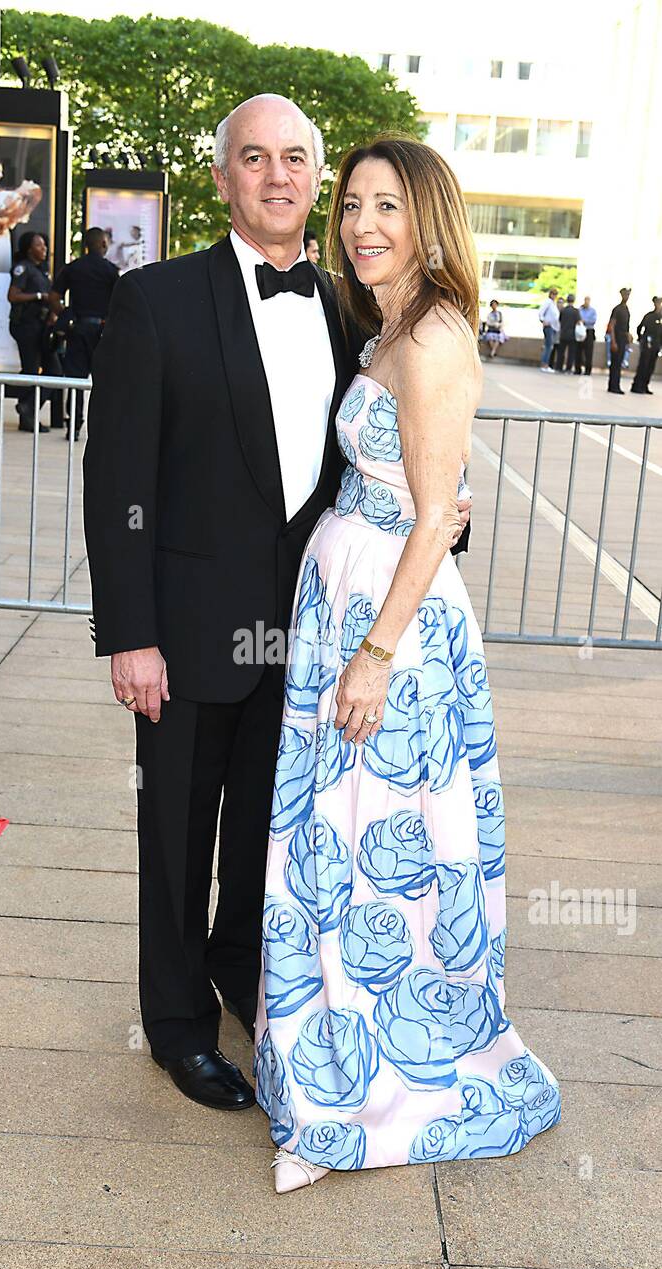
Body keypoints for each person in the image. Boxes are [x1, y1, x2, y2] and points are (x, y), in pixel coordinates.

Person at [82, 93, 475, 1115]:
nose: (277, 177)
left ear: (314, 179)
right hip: (185, 634)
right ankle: (175, 1026)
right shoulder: (156, 301)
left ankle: (243, 974)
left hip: (310, 640)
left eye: (296, 159)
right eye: (252, 159)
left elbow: (382, 462)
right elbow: (117, 479)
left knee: (273, 834)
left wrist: (441, 516)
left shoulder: (360, 309)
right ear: (221, 179)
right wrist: (130, 632)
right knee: (175, 836)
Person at [255, 135, 561, 1193]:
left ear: (429, 219)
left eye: (385, 206)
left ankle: (392, 1054)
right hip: (346, 601)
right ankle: (333, 1036)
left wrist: (375, 654)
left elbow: (435, 518)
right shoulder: (384, 322)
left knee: (386, 838)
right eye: (350, 206)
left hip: (394, 625)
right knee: (337, 836)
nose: (360, 224)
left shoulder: (430, 334)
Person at [49, 226, 119, 439]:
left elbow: (53, 297)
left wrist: (66, 314)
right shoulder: (110, 270)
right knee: (104, 381)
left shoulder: (73, 268)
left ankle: (74, 425)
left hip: (77, 328)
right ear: (103, 244)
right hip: (103, 332)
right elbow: (120, 302)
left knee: (74, 380)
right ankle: (102, 428)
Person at [7, 231, 59, 433]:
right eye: (39, 245)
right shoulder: (23, 269)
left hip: (40, 327)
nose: (44, 249)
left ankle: (27, 407)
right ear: (29, 249)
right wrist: (39, 296)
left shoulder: (42, 271)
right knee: (30, 370)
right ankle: (27, 414)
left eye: (45, 245)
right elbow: (12, 295)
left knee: (54, 371)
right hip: (26, 327)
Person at [630, 296, 662, 395]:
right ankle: (637, 386)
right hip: (647, 344)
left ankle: (645, 385)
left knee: (651, 367)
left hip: (656, 345)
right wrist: (641, 339)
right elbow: (640, 327)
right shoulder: (649, 316)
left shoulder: (661, 317)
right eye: (657, 302)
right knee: (643, 365)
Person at [607, 288, 632, 394]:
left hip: (622, 339)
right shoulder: (617, 309)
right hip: (617, 338)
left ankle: (615, 385)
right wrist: (613, 341)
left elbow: (625, 326)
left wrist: (628, 335)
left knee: (619, 363)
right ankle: (613, 386)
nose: (626, 296)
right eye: (625, 294)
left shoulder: (626, 309)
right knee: (615, 363)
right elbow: (611, 325)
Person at [554, 292, 579, 372]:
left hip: (563, 333)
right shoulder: (576, 311)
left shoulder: (563, 310)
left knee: (561, 352)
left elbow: (560, 320)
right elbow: (578, 321)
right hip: (572, 334)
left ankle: (559, 367)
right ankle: (568, 368)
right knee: (571, 353)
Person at [574, 295, 596, 375]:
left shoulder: (592, 311)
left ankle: (587, 370)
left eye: (588, 300)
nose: (586, 302)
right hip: (580, 330)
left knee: (588, 352)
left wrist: (584, 321)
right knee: (578, 351)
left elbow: (593, 320)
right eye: (585, 300)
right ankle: (577, 369)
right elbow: (576, 318)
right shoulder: (580, 310)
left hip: (588, 330)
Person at [538, 287, 559, 371]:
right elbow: (541, 312)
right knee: (548, 346)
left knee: (549, 346)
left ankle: (546, 364)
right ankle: (544, 364)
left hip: (553, 327)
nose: (554, 296)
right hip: (549, 326)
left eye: (555, 294)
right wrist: (543, 320)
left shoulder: (553, 303)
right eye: (553, 294)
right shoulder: (548, 302)